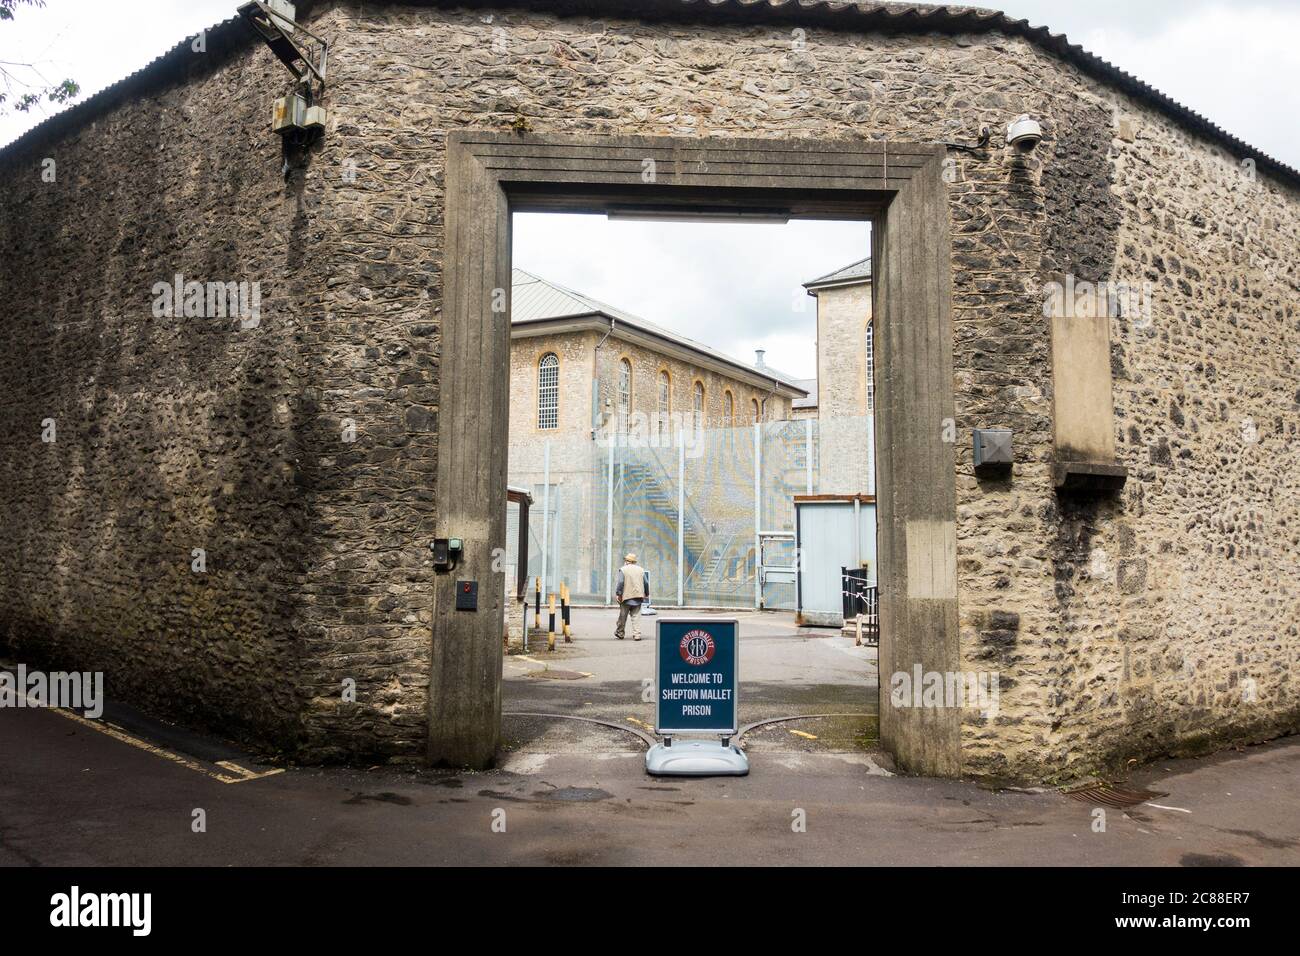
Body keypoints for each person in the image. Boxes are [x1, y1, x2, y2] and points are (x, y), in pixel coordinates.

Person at [614, 553, 649, 641]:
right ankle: (637, 635)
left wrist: (619, 594)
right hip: (638, 596)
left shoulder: (623, 569)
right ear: (634, 561)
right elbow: (646, 582)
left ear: (626, 561)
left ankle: (620, 633)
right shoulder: (641, 570)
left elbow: (621, 582)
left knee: (623, 616)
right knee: (636, 617)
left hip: (626, 596)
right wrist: (646, 593)